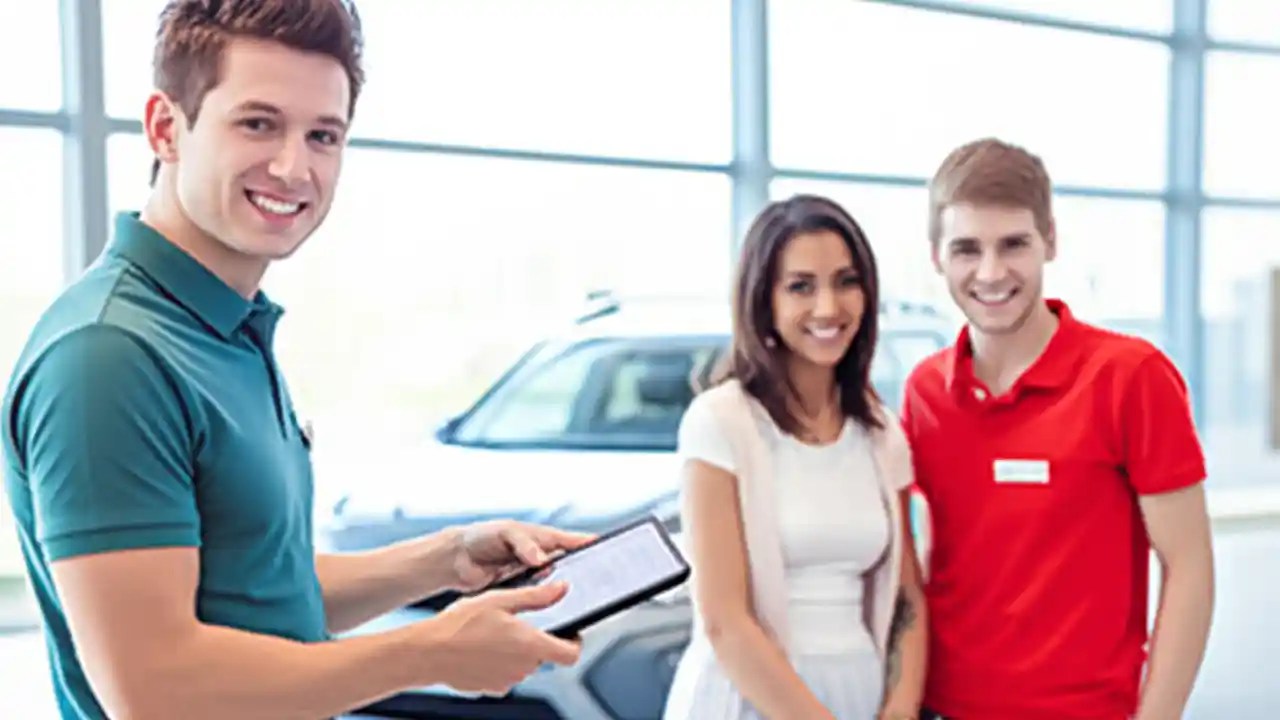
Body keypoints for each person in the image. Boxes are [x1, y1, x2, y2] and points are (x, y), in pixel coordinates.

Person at [0, 2, 589, 718]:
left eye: (323, 136)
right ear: (165, 128)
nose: (293, 167)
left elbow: (255, 589)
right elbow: (153, 689)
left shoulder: (224, 329)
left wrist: (445, 560)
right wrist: (431, 652)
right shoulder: (108, 357)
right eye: (258, 123)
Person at [902, 137, 1215, 720]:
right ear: (937, 256)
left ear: (1050, 240)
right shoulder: (924, 392)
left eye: (1013, 244)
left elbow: (1189, 566)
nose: (991, 272)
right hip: (941, 708)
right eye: (967, 248)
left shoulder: (1130, 377)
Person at [662, 195, 928, 720]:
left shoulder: (881, 434)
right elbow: (724, 621)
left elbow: (907, 599)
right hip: (746, 699)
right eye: (801, 286)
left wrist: (900, 709)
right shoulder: (720, 421)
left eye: (846, 282)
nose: (828, 307)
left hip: (858, 691)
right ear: (764, 300)